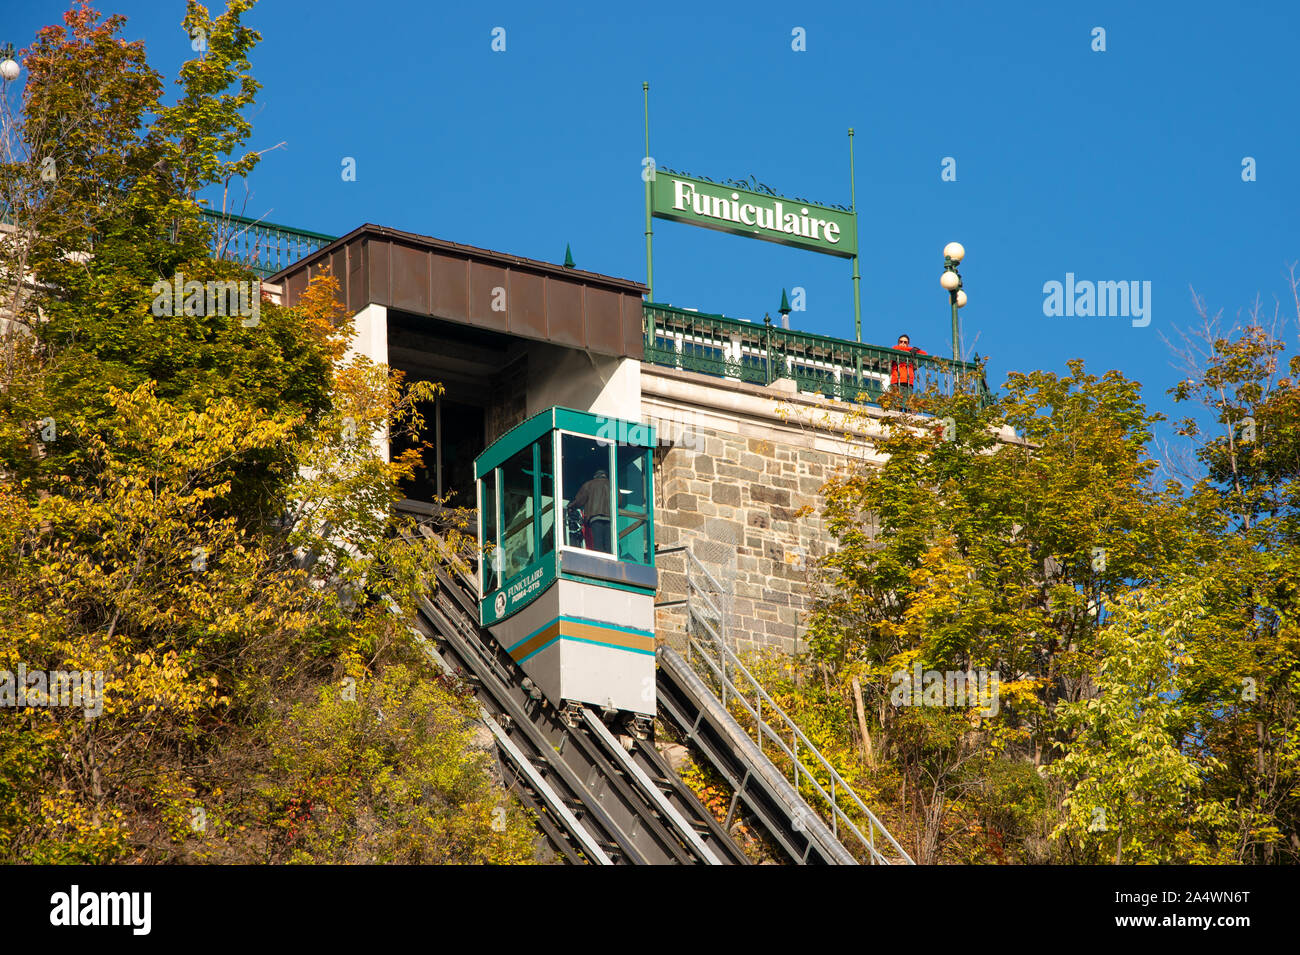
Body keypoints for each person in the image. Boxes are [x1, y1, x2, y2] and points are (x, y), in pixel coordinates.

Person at [570, 468, 611, 553]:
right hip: (610, 518)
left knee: (598, 543)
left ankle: (600, 562)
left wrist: (571, 506)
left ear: (595, 476)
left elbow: (580, 500)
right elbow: (619, 501)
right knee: (608, 543)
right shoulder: (612, 485)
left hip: (595, 518)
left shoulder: (589, 484)